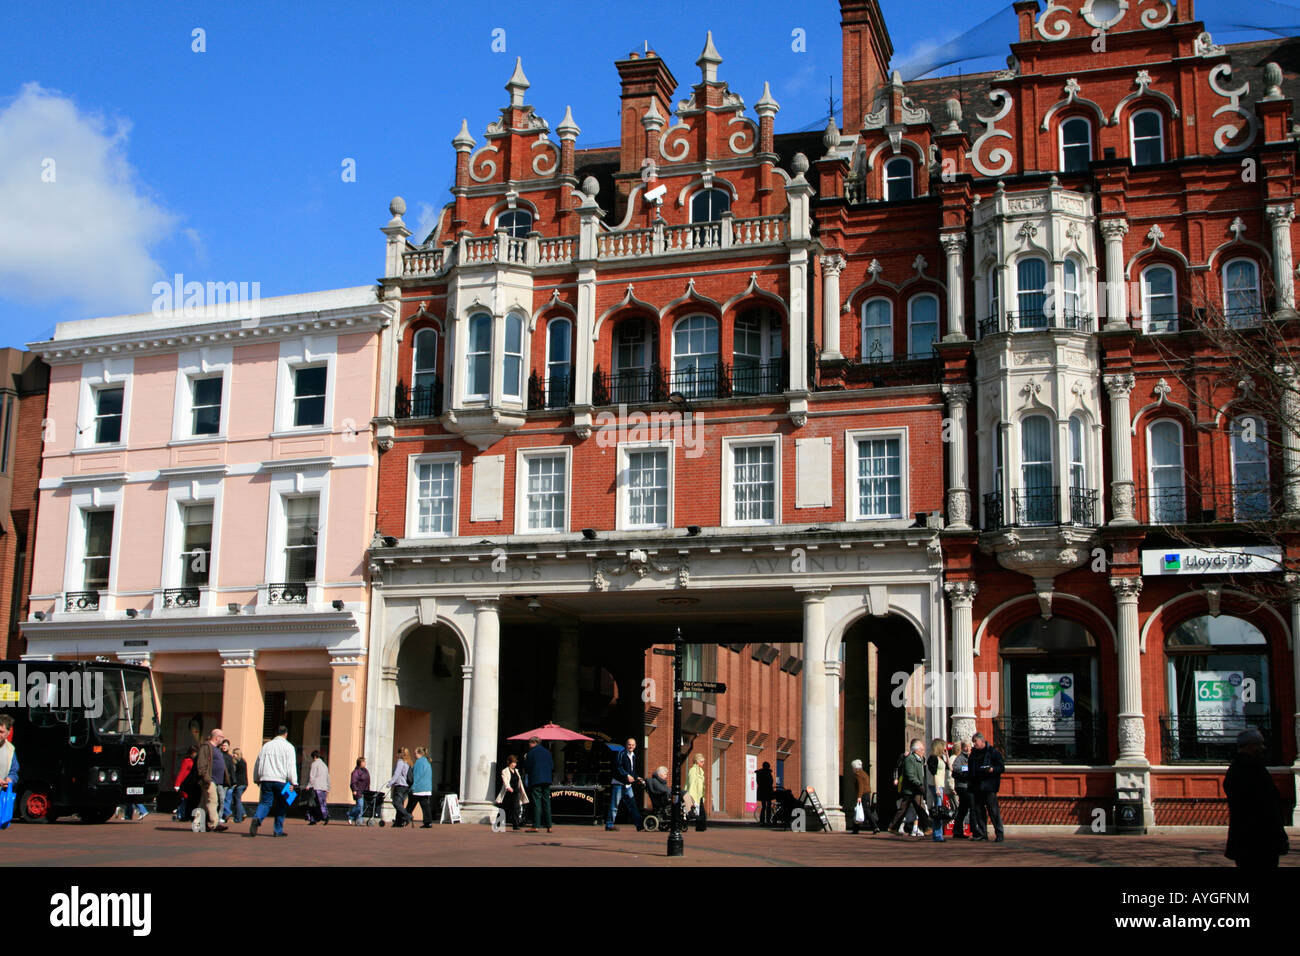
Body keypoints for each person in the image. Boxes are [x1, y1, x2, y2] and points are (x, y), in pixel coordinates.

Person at [1224, 728, 1289, 868]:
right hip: (1260, 840)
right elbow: (1267, 807)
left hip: (1246, 840)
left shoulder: (1236, 769)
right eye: (1258, 744)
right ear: (1249, 746)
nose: (1262, 748)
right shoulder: (1252, 769)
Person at [250, 726, 298, 837]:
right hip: (282, 780)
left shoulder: (266, 746)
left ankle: (257, 818)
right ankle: (278, 830)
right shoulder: (289, 747)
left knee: (265, 802)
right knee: (283, 804)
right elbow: (291, 766)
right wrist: (293, 782)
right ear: (286, 734)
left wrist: (257, 777)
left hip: (266, 779)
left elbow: (258, 762)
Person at [967, 732, 1005, 842]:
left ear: (982, 741)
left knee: (993, 811)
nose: (974, 744)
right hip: (976, 786)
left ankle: (999, 833)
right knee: (979, 810)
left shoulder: (993, 752)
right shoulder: (973, 754)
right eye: (973, 742)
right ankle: (983, 833)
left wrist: (992, 769)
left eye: (975, 742)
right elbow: (970, 769)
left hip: (989, 786)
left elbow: (1001, 767)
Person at [888, 739, 931, 837]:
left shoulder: (920, 759)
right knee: (919, 808)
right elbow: (909, 774)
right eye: (922, 749)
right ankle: (928, 827)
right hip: (911, 789)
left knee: (906, 809)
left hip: (915, 789)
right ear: (917, 750)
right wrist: (919, 784)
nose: (923, 751)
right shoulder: (910, 759)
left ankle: (893, 827)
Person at [195, 728, 229, 832]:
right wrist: (206, 778)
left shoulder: (216, 749)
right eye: (222, 737)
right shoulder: (206, 747)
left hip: (215, 780)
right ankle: (214, 823)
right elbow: (201, 763)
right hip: (210, 780)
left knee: (203, 803)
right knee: (213, 801)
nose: (223, 739)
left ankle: (197, 824)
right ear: (216, 737)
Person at [606, 738, 643, 831]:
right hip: (619, 784)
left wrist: (636, 777)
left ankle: (639, 825)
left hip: (627, 785)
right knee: (614, 805)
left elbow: (631, 770)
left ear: (635, 746)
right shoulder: (621, 753)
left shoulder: (633, 756)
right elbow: (618, 767)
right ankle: (609, 825)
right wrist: (626, 775)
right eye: (629, 744)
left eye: (633, 745)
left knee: (633, 805)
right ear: (626, 745)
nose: (631, 746)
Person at [522, 736, 553, 833]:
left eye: (529, 744)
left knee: (537, 802)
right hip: (547, 779)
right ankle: (549, 825)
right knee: (546, 802)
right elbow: (552, 766)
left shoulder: (530, 753)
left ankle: (536, 825)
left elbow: (527, 768)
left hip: (536, 780)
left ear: (532, 743)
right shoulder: (547, 752)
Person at [926, 738, 952, 842]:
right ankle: (937, 835)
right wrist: (937, 787)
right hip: (936, 785)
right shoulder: (933, 758)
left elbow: (950, 767)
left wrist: (947, 756)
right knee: (938, 810)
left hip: (940, 785)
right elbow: (935, 773)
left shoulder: (940, 758)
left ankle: (938, 834)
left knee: (939, 809)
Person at [495, 754, 529, 830]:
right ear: (509, 763)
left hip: (516, 791)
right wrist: (508, 787)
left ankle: (515, 825)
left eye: (515, 763)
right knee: (505, 808)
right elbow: (505, 780)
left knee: (516, 808)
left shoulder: (516, 771)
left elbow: (519, 781)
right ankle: (498, 823)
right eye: (513, 762)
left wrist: (520, 789)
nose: (514, 764)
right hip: (508, 792)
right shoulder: (505, 771)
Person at [849, 758, 880, 834]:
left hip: (863, 795)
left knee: (864, 811)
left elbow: (860, 786)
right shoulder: (864, 773)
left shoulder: (858, 774)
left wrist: (859, 796)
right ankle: (856, 829)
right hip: (866, 794)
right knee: (861, 811)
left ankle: (874, 827)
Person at [384, 747, 413, 827]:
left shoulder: (400, 762)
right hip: (406, 787)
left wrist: (390, 783)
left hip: (400, 785)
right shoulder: (408, 762)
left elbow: (397, 774)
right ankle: (398, 822)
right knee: (400, 804)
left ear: (400, 753)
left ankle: (407, 816)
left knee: (396, 803)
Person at [950, 740, 972, 838]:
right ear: (962, 748)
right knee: (971, 806)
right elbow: (956, 768)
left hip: (966, 786)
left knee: (963, 808)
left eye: (969, 747)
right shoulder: (960, 758)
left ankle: (957, 831)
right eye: (966, 747)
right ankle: (973, 830)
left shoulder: (969, 757)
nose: (968, 749)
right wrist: (967, 768)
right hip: (962, 786)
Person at [409, 747, 433, 827]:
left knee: (411, 805)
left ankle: (402, 819)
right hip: (426, 788)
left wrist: (413, 787)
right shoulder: (427, 762)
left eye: (415, 753)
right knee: (425, 805)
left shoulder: (419, 762)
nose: (414, 755)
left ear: (419, 753)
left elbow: (417, 776)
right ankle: (428, 822)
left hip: (419, 788)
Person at [173, 746, 199, 821]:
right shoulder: (187, 761)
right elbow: (182, 772)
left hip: (192, 783)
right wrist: (177, 784)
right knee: (184, 800)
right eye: (194, 753)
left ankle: (186, 815)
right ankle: (181, 814)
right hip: (186, 783)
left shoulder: (196, 761)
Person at [306, 751, 330, 825]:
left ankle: (319, 817)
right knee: (322, 803)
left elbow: (312, 776)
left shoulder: (314, 764)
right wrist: (328, 787)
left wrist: (309, 785)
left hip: (316, 786)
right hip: (324, 787)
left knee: (313, 804)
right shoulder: (324, 765)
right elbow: (328, 777)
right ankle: (321, 816)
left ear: (314, 757)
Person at [228, 747, 248, 823]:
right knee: (237, 799)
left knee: (237, 800)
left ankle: (238, 818)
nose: (233, 755)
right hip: (244, 783)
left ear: (238, 754)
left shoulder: (239, 763)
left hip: (240, 784)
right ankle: (243, 813)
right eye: (233, 753)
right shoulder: (243, 761)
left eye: (235, 754)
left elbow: (236, 774)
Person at [218, 740, 236, 822]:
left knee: (223, 799)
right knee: (220, 799)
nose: (224, 747)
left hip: (225, 781)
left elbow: (232, 770)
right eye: (223, 745)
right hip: (218, 780)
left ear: (228, 747)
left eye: (226, 745)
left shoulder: (229, 757)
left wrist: (234, 781)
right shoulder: (218, 755)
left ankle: (220, 816)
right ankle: (219, 816)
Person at [0, 714, 18, 797]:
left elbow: (14, 772)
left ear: (9, 732)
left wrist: (10, 779)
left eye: (1, 732)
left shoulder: (10, 750)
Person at [348, 758, 370, 825]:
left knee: (362, 806)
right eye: (363, 762)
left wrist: (368, 789)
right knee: (360, 805)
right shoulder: (356, 772)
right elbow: (353, 781)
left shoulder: (366, 771)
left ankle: (357, 819)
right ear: (359, 763)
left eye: (365, 762)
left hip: (365, 791)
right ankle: (350, 814)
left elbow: (368, 781)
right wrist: (354, 789)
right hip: (358, 790)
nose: (364, 763)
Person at [684, 752, 706, 820]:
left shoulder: (701, 771)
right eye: (702, 761)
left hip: (699, 795)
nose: (703, 763)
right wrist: (690, 796)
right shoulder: (693, 770)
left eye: (703, 761)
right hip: (693, 794)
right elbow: (691, 783)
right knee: (694, 813)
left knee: (697, 814)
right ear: (697, 762)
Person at [756, 761, 774, 825]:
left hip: (762, 791)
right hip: (768, 791)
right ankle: (768, 820)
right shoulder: (768, 773)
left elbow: (758, 782)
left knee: (764, 806)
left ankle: (762, 820)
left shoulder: (759, 773)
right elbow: (771, 782)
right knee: (768, 806)